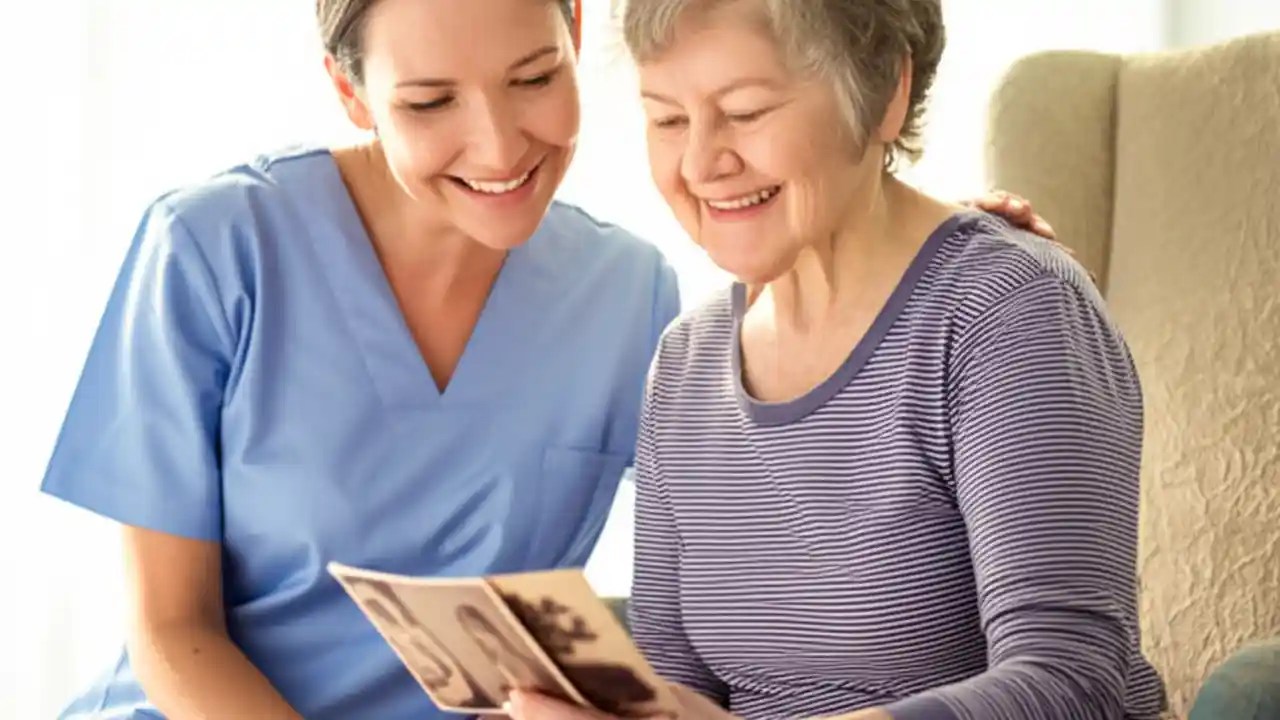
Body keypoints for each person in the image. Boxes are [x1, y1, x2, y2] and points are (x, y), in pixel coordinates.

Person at [38, 0, 1048, 718]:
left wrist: (905, 241)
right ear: (350, 91)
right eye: (428, 101)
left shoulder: (629, 293)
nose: (497, 146)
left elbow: (804, 450)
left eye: (532, 79)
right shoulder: (214, 249)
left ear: (574, 33)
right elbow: (171, 633)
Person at [506, 1, 1168, 720]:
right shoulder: (686, 362)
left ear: (885, 92)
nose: (699, 163)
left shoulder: (1005, 309)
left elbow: (1070, 681)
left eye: (746, 112)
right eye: (667, 119)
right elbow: (680, 685)